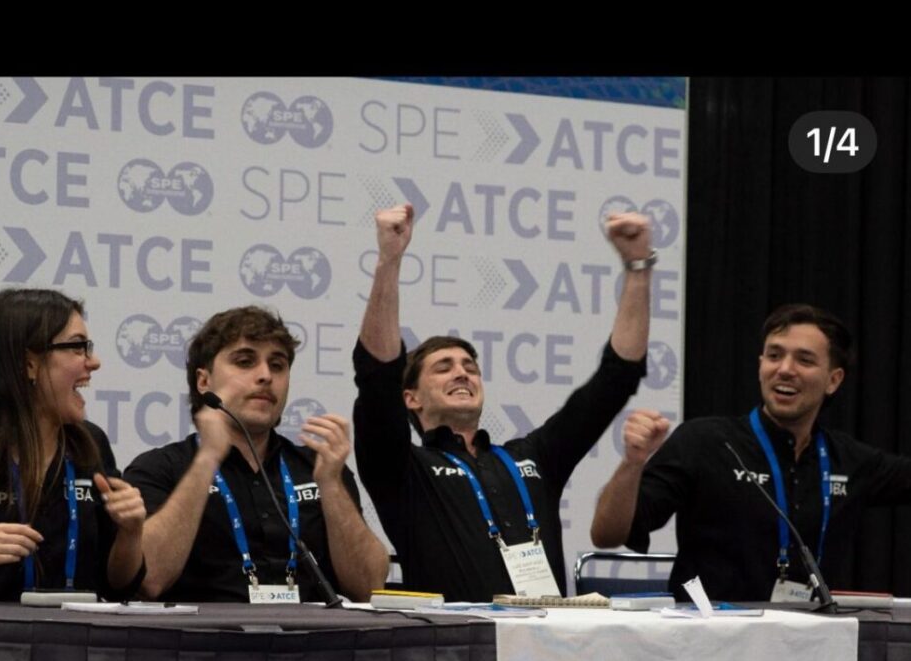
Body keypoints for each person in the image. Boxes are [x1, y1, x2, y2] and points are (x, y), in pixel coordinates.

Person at [353, 203, 654, 602]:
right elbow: (377, 377)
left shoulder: (533, 457)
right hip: (460, 640)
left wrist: (637, 268)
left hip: (550, 635)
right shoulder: (402, 470)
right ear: (411, 398)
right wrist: (389, 261)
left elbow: (616, 380)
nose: (462, 373)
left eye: (470, 367)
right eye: (443, 367)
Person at [591, 303, 911, 601]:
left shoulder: (848, 460)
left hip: (810, 637)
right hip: (712, 633)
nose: (785, 369)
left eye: (804, 360)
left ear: (833, 380)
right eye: (774, 355)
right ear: (760, 366)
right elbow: (606, 534)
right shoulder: (704, 442)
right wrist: (632, 463)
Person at [126, 305, 389, 603]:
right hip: (206, 632)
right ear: (204, 381)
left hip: (310, 630)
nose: (265, 376)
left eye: (277, 365)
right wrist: (207, 460)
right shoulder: (160, 468)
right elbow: (148, 579)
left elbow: (369, 587)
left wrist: (331, 485)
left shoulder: (319, 467)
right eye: (245, 361)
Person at [0, 288, 146, 600]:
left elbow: (120, 584)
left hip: (78, 630)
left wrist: (131, 532)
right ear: (29, 364)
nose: (94, 362)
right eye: (77, 347)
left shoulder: (91, 443)